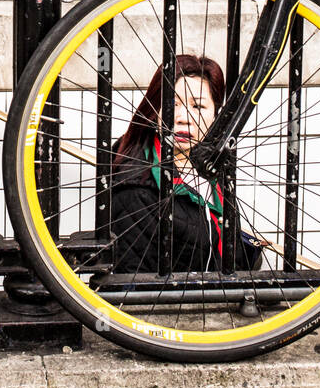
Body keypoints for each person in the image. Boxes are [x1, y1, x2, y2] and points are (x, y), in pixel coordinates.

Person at [110, 54, 264, 274]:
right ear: (156, 111)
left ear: (216, 116)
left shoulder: (208, 162)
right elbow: (135, 283)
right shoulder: (137, 188)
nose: (184, 117)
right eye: (173, 104)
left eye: (198, 106)